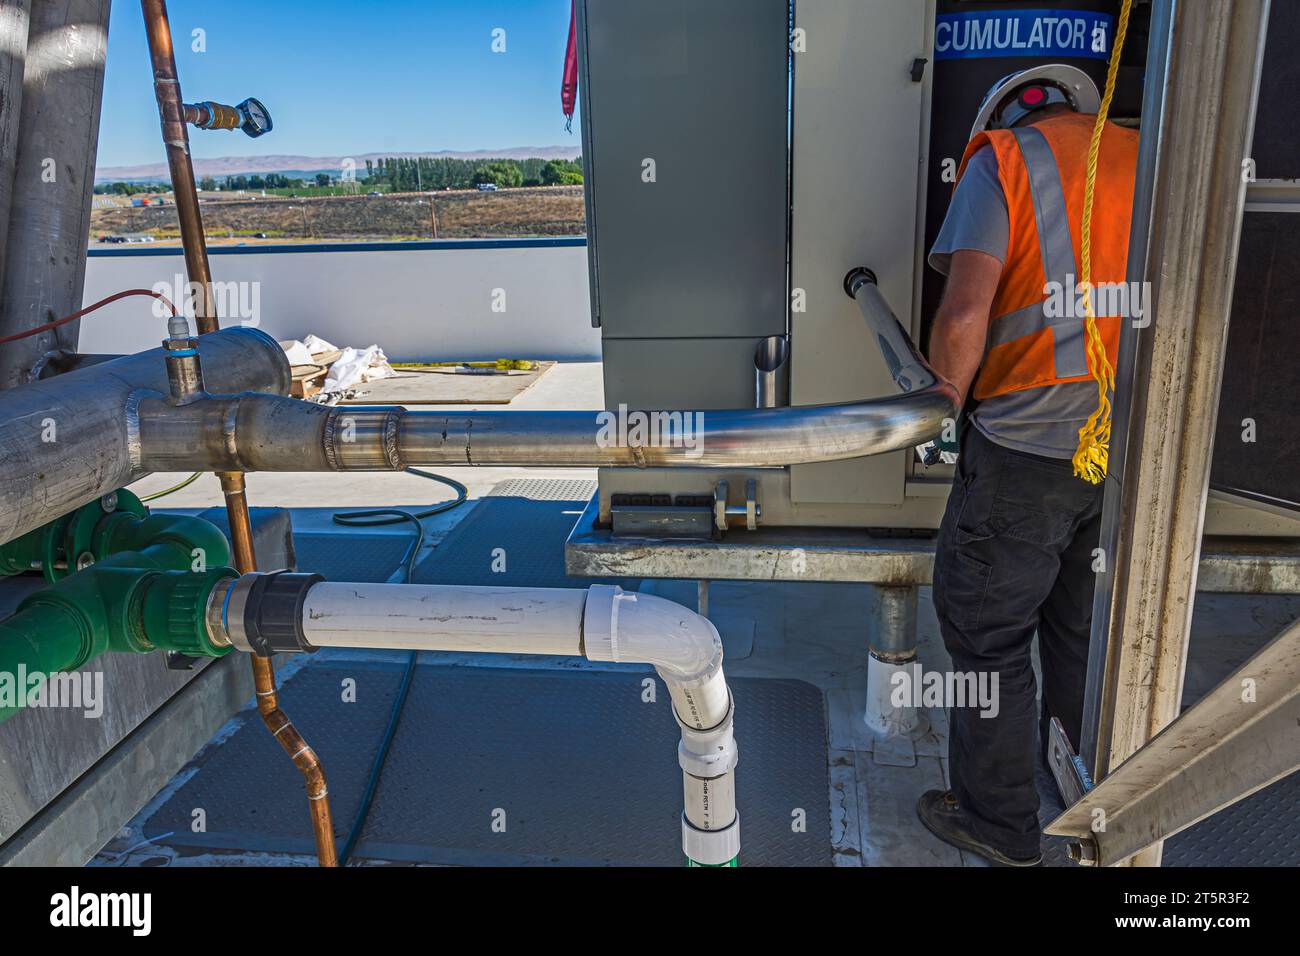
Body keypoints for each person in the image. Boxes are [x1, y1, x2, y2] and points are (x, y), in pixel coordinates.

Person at [916, 64, 1138, 866]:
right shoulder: (1143, 157)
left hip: (1024, 449)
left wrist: (940, 402)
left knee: (988, 638)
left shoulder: (1002, 159)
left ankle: (998, 824)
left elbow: (968, 309)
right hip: (1122, 450)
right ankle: (1090, 803)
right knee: (1079, 631)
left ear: (1010, 114)